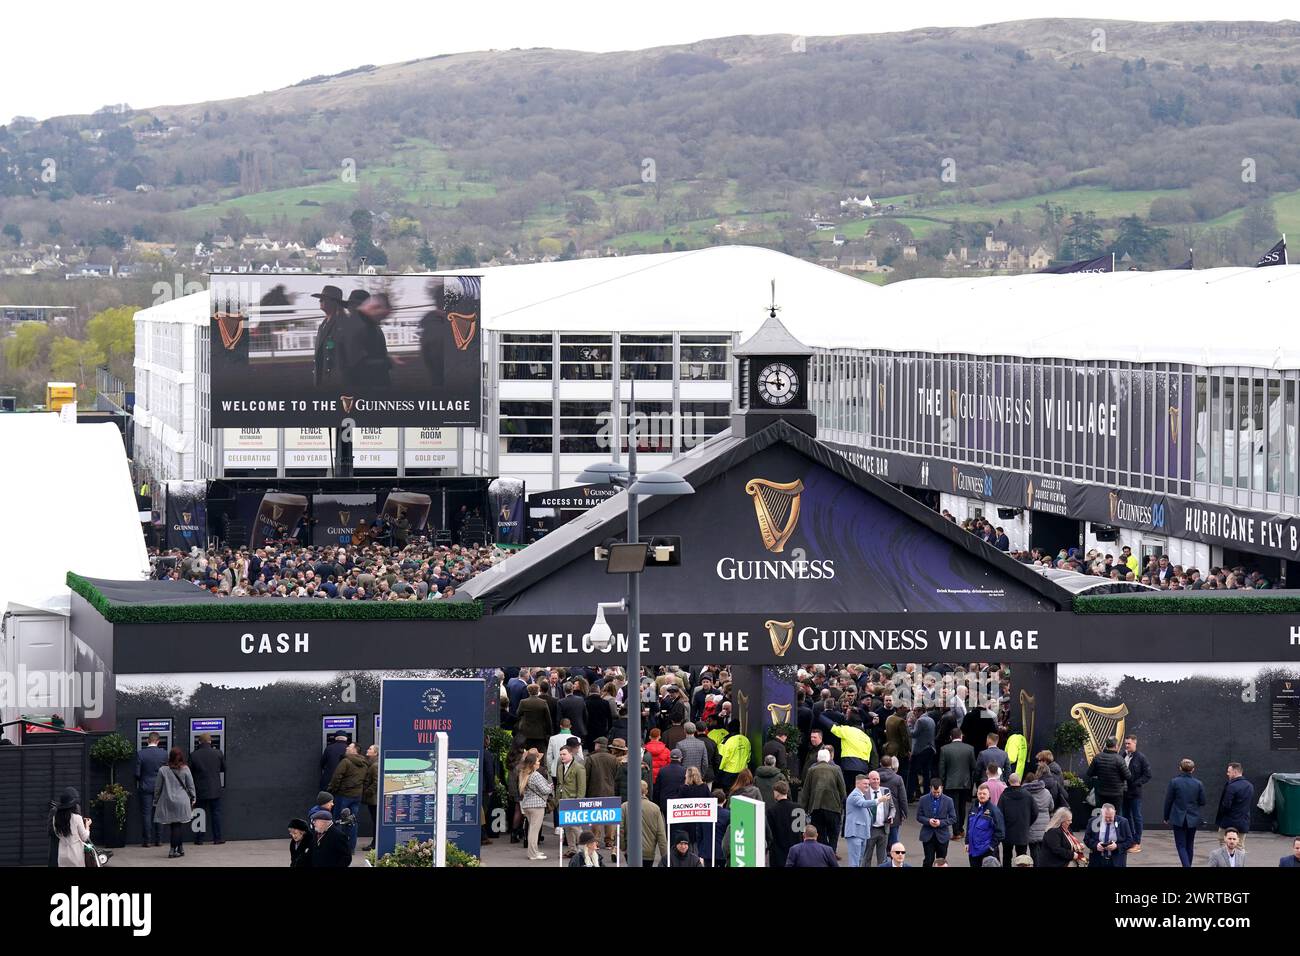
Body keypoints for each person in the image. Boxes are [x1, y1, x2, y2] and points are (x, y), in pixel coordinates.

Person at [801, 746, 846, 853]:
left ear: (818, 758)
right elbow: (843, 790)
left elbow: (806, 791)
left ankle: (823, 853)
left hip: (816, 807)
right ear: (829, 758)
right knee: (834, 834)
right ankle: (831, 853)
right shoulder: (836, 769)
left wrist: (805, 809)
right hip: (833, 808)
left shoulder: (811, 770)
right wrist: (840, 804)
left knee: (819, 833)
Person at [1164, 758, 1207, 868]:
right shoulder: (1198, 784)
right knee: (1189, 845)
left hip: (1178, 818)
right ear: (1193, 770)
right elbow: (1203, 802)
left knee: (1181, 845)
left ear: (1180, 768)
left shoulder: (1174, 782)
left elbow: (1168, 801)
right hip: (1193, 818)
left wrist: (1166, 816)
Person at [154, 747, 196, 858]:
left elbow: (158, 788)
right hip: (182, 801)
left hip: (168, 800)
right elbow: (191, 785)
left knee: (174, 826)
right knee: (178, 825)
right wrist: (193, 797)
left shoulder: (163, 770)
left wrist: (156, 800)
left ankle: (177, 848)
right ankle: (175, 850)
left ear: (170, 757)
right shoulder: (185, 769)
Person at [843, 772, 890, 868]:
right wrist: (879, 800)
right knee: (855, 862)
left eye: (868, 784)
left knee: (860, 860)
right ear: (857, 784)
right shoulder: (854, 795)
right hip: (855, 833)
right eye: (865, 784)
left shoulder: (861, 795)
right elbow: (863, 804)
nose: (867, 786)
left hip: (862, 833)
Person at [328, 742, 368, 853]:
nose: (346, 748)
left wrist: (332, 790)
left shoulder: (346, 761)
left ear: (355, 750)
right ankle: (351, 848)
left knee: (338, 821)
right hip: (356, 796)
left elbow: (336, 777)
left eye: (349, 747)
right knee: (352, 821)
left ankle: (337, 847)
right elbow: (366, 779)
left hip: (343, 795)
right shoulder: (365, 763)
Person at [188, 732, 226, 845]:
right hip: (215, 788)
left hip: (200, 789)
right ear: (210, 742)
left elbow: (189, 772)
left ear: (199, 742)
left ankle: (199, 839)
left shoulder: (193, 755)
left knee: (199, 813)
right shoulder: (218, 753)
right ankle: (217, 838)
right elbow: (224, 768)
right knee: (216, 814)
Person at [938, 729, 976, 836]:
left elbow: (942, 768)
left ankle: (956, 831)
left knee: (953, 807)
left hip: (950, 783)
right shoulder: (970, 749)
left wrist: (942, 782)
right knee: (962, 806)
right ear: (961, 736)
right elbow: (973, 766)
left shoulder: (944, 749)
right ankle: (961, 828)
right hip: (965, 782)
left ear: (951, 737)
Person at [311, 284, 349, 389]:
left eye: (323, 299)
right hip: (323, 378)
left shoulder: (342, 323)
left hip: (336, 380)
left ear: (334, 302)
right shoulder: (323, 324)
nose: (320, 301)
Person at [623, 779, 668, 867]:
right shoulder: (655, 808)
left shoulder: (624, 807)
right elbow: (661, 834)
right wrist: (664, 855)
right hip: (649, 853)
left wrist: (623, 846)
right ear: (646, 791)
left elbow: (620, 829)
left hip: (630, 850)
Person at [1120, 734, 1152, 853]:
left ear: (1135, 743)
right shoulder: (1123, 755)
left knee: (1137, 817)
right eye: (1126, 743)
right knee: (1126, 817)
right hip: (1123, 792)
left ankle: (1137, 842)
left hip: (1135, 793)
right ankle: (1129, 840)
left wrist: (1136, 783)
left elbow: (1148, 775)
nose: (1126, 745)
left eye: (1129, 743)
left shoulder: (1141, 758)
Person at [134, 732, 167, 847]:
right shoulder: (163, 754)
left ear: (147, 741)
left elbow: (137, 774)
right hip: (160, 788)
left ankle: (147, 841)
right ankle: (159, 840)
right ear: (158, 741)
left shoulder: (141, 754)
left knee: (146, 814)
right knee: (159, 813)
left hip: (145, 787)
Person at [518, 752, 553, 861]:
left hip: (527, 805)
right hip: (537, 805)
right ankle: (533, 854)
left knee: (532, 829)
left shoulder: (524, 774)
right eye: (537, 761)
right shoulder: (536, 775)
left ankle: (534, 851)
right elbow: (545, 790)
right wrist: (550, 787)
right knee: (534, 831)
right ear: (533, 764)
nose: (539, 762)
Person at [998, 772, 1037, 868]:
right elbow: (1035, 812)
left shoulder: (1004, 796)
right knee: (1022, 858)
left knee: (1006, 856)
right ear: (1019, 781)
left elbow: (999, 814)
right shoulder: (1028, 795)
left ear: (1008, 782)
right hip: (1022, 831)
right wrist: (1028, 823)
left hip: (1007, 831)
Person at [916, 778, 957, 867]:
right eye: (934, 792)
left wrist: (940, 822)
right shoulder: (923, 799)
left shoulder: (948, 800)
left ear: (942, 788)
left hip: (942, 836)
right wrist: (928, 821)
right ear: (930, 788)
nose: (937, 794)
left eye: (938, 792)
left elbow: (953, 818)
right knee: (928, 860)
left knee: (941, 862)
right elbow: (919, 816)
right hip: (928, 835)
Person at [555, 745, 587, 856]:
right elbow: (559, 784)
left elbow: (582, 787)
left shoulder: (579, 767)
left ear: (571, 754)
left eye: (564, 754)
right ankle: (572, 849)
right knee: (567, 826)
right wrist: (556, 799)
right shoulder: (560, 767)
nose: (562, 757)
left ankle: (585, 848)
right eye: (560, 755)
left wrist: (578, 802)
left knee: (575, 826)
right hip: (563, 800)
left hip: (573, 801)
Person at [1087, 736, 1130, 816]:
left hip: (1102, 792)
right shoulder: (1119, 759)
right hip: (1116, 794)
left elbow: (1089, 773)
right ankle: (1116, 828)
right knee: (1116, 816)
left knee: (1103, 816)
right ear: (1116, 746)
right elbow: (1128, 776)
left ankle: (1104, 828)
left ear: (1106, 745)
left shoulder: (1098, 757)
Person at [964, 782, 1004, 868]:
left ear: (989, 795)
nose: (982, 795)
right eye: (980, 793)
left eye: (984, 794)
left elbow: (1000, 832)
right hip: (972, 850)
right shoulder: (973, 807)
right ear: (977, 794)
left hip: (987, 852)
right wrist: (967, 842)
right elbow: (969, 827)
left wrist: (991, 847)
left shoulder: (994, 811)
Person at [1216, 762, 1255, 847]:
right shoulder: (1250, 786)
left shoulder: (1231, 786)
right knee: (1240, 845)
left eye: (1229, 772)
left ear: (1235, 772)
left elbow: (1226, 805)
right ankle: (1239, 860)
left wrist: (1222, 815)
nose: (1227, 774)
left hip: (1228, 822)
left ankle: (1227, 860)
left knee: (1223, 843)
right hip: (1243, 822)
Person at [1085, 803, 1134, 867]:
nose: (1108, 819)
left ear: (1115, 813)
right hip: (1097, 861)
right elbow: (1086, 839)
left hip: (1117, 861)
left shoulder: (1123, 822)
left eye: (1110, 817)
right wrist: (1096, 845)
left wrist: (1117, 846)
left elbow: (1130, 841)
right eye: (1106, 817)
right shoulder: (1093, 821)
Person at [52, 788, 92, 867]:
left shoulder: (55, 817)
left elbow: (57, 834)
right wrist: (87, 825)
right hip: (75, 853)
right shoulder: (77, 818)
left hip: (62, 853)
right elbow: (84, 837)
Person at [767, 780, 801, 867]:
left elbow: (771, 833)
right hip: (796, 849)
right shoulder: (798, 808)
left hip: (778, 851)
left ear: (777, 792)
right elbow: (801, 831)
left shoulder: (772, 810)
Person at [516, 684, 553, 752]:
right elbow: (548, 719)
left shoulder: (523, 702)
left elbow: (518, 714)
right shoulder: (543, 702)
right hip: (540, 733)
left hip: (526, 733)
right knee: (540, 753)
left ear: (528, 692)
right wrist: (549, 733)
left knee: (527, 753)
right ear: (538, 691)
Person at [362, 744, 378, 852]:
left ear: (375, 753)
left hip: (374, 799)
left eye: (370, 749)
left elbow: (376, 782)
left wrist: (368, 792)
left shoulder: (375, 765)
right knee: (375, 821)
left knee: (375, 822)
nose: (368, 750)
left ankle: (374, 844)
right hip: (372, 798)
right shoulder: (371, 763)